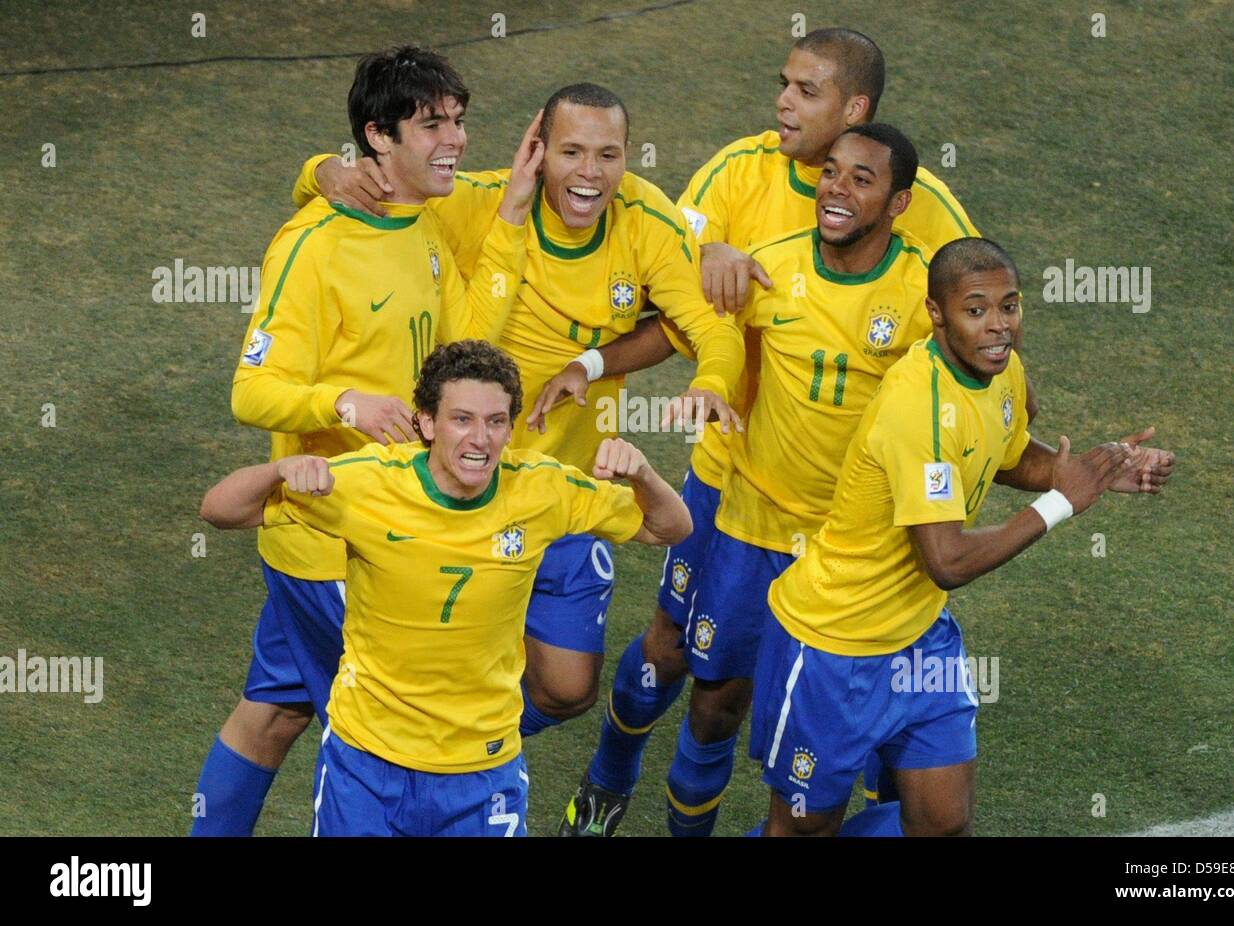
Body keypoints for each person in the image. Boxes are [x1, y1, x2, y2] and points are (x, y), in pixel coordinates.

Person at [545, 29, 992, 836]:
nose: (783, 102)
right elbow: (659, 288)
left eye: (806, 91)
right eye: (784, 84)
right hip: (737, 480)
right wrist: (701, 254)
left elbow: (977, 323)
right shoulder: (736, 174)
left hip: (862, 521)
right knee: (684, 661)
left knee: (833, 728)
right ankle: (611, 773)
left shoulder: (927, 211)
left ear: (855, 109)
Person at [293, 83, 745, 739]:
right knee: (426, 676)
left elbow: (710, 326)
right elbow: (354, 190)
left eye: (609, 155)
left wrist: (710, 380)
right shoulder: (481, 203)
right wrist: (322, 170)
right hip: (461, 496)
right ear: (538, 150)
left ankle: (469, 742)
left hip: (561, 495)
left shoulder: (648, 220)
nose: (590, 173)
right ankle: (427, 750)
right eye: (571, 152)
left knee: (567, 690)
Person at [190, 45, 543, 836]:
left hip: (350, 533)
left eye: (458, 120)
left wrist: (514, 217)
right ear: (379, 137)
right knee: (389, 741)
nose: (454, 140)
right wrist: (344, 402)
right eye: (432, 125)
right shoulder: (313, 246)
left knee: (271, 715)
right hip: (342, 547)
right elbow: (251, 390)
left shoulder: (420, 220)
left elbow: (466, 342)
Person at [749, 238, 1175, 836]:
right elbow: (946, 561)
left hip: (922, 637)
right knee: (803, 829)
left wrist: (1084, 473)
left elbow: (1006, 452)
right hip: (833, 647)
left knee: (944, 825)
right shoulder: (915, 408)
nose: (999, 325)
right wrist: (1061, 502)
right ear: (937, 314)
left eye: (1010, 306)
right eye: (976, 310)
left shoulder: (1001, 370)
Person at [199, 340, 692, 836]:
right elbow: (219, 509)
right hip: (366, 767)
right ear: (428, 423)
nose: (480, 439)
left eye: (496, 422)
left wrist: (643, 475)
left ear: (511, 428)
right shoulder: (369, 484)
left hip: (483, 773)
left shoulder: (543, 489)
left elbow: (670, 528)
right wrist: (278, 471)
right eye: (462, 420)